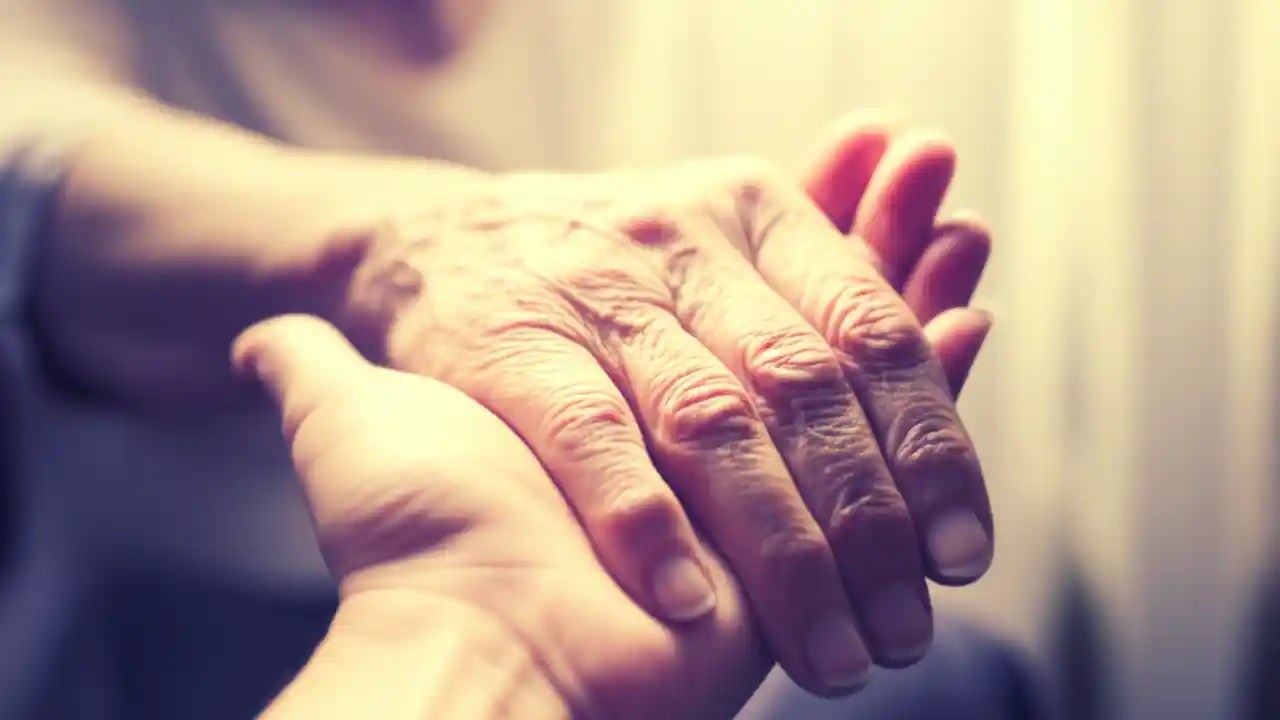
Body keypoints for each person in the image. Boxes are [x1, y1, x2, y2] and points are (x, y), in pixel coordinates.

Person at [0, 1, 1006, 715]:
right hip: (168, 604)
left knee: (954, 682)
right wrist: (412, 247)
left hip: (573, 545)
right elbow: (34, 172)